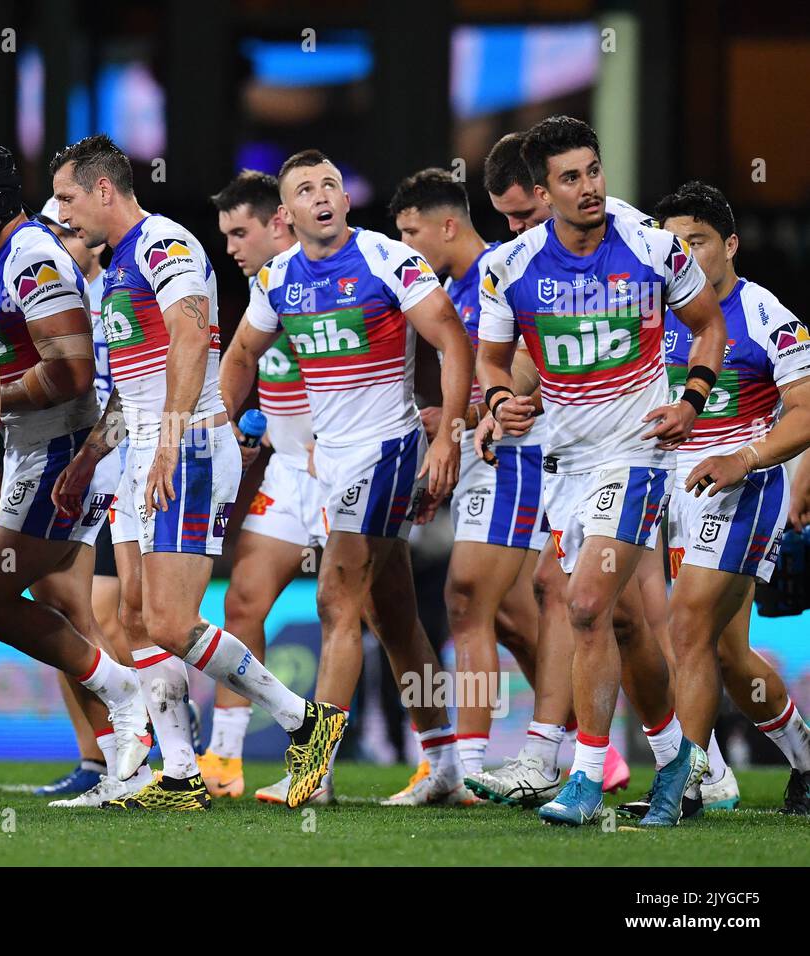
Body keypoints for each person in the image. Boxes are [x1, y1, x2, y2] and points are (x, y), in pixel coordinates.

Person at [49, 134, 344, 811]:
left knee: (172, 621)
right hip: (144, 451)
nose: (63, 214)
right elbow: (132, 383)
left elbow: (190, 333)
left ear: (103, 191)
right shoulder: (117, 266)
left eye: (68, 198)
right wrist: (94, 454)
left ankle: (305, 720)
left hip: (184, 447)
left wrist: (170, 440)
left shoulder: (164, 245)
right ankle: (180, 774)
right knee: (130, 616)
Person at [475, 116, 726, 826]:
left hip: (638, 450)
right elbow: (495, 360)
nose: (589, 187)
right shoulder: (512, 268)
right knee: (618, 626)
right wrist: (501, 400)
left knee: (581, 604)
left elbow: (710, 324)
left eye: (594, 170)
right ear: (542, 190)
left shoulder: (653, 246)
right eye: (571, 178)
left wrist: (691, 400)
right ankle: (676, 755)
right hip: (565, 461)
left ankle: (583, 780)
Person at [219, 148, 477, 806]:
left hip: (386, 449)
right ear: (289, 212)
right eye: (307, 188)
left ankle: (315, 772)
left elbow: (451, 341)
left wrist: (445, 434)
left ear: (344, 198)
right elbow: (244, 352)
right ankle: (444, 766)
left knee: (337, 600)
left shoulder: (391, 261)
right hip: (327, 459)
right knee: (393, 617)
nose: (323, 194)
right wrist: (216, 429)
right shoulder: (278, 278)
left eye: (331, 182)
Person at [0, 143, 152, 805]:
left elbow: (72, 371)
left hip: (59, 453)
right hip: (40, 448)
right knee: (64, 606)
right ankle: (124, 764)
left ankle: (125, 694)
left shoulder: (31, 258)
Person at [650, 181, 810, 817]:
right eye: (673, 246)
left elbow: (803, 414)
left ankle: (686, 784)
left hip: (744, 486)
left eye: (698, 242)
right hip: (675, 493)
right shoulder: (656, 312)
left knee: (684, 624)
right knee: (725, 652)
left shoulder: (766, 316)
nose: (684, 256)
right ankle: (805, 760)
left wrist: (741, 458)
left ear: (731, 244)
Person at [389, 168, 544, 780]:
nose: (404, 248)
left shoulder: (498, 272)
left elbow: (527, 369)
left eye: (410, 232)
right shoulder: (453, 290)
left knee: (469, 599)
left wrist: (466, 416)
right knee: (514, 616)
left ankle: (465, 767)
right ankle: (588, 752)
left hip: (519, 450)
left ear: (447, 224)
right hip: (487, 452)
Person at [204, 170, 331, 803]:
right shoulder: (265, 290)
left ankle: (440, 758)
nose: (229, 246)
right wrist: (248, 424)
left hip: (344, 466)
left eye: (238, 232)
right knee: (244, 601)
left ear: (278, 222)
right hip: (286, 467)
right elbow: (251, 362)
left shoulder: (330, 272)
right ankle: (224, 758)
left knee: (374, 617)